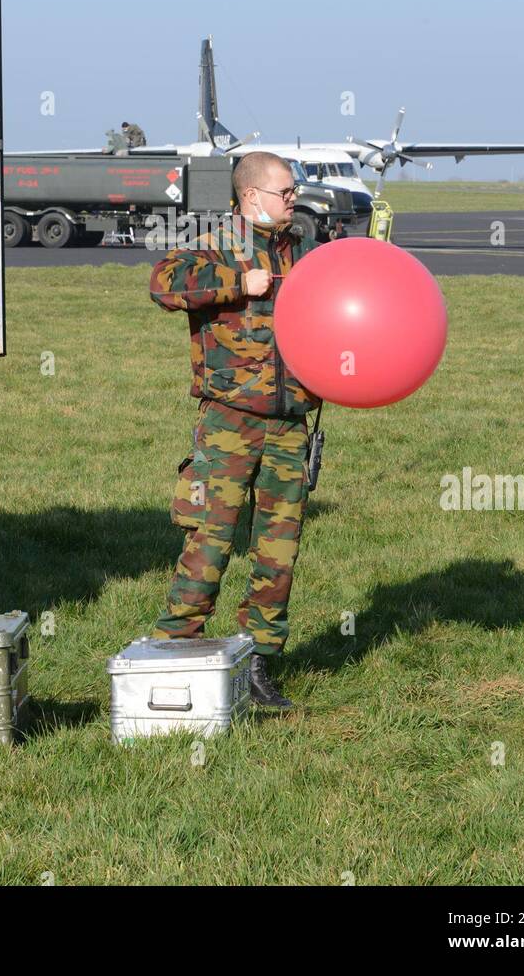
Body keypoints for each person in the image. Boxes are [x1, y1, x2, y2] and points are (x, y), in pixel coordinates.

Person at [148, 151, 322, 711]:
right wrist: (234, 282)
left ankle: (259, 662)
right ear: (251, 197)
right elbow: (164, 284)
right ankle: (176, 651)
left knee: (279, 549)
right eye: (284, 193)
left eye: (293, 193)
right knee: (210, 536)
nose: (293, 201)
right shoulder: (216, 241)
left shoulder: (303, 249)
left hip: (290, 420)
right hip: (229, 420)